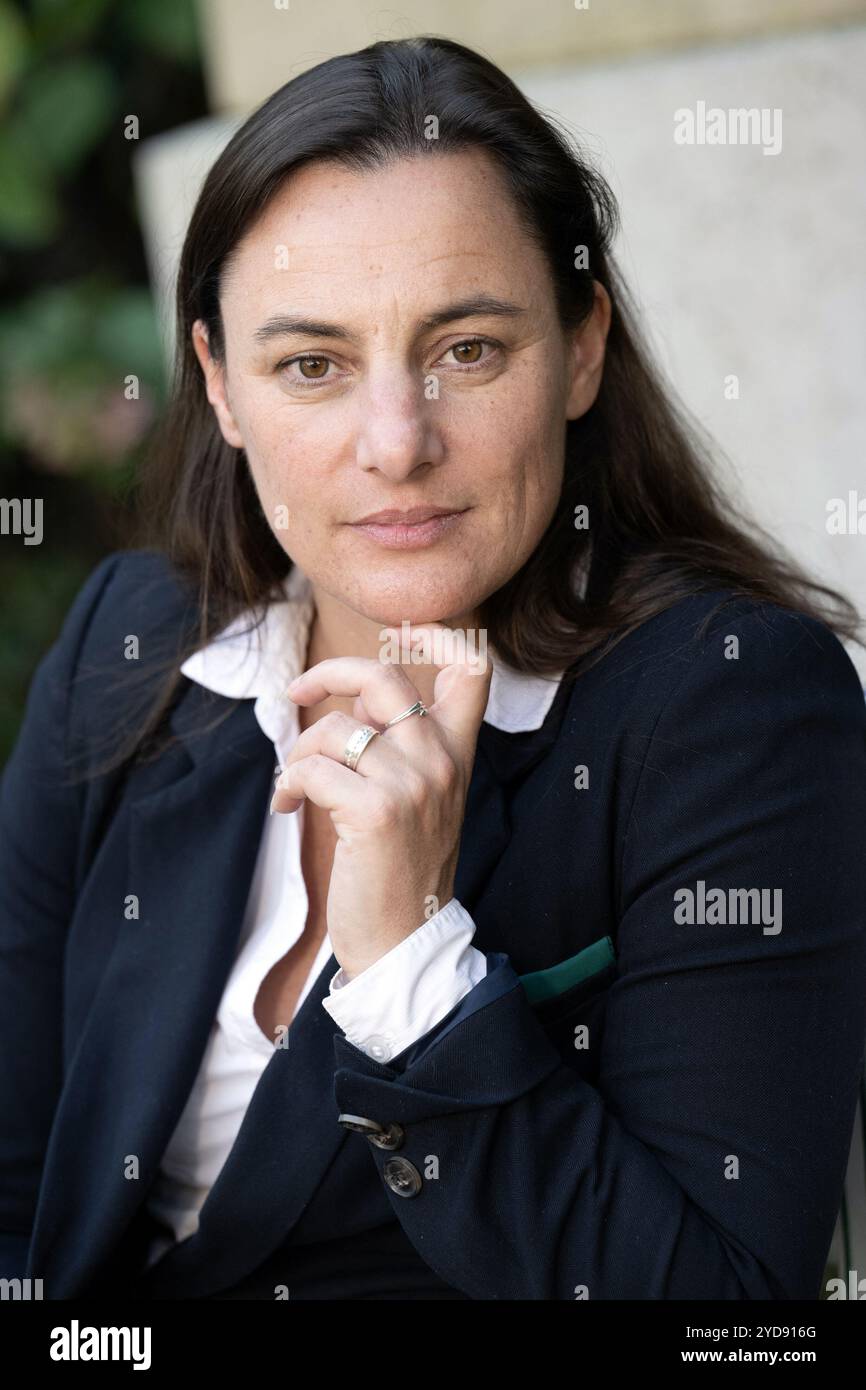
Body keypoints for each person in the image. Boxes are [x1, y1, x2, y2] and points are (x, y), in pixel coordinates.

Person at [2, 34, 866, 1302]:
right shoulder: (135, 639)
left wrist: (415, 962)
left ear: (579, 347)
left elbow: (723, 1310)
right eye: (311, 365)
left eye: (467, 349)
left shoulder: (730, 706)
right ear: (222, 388)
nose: (396, 445)